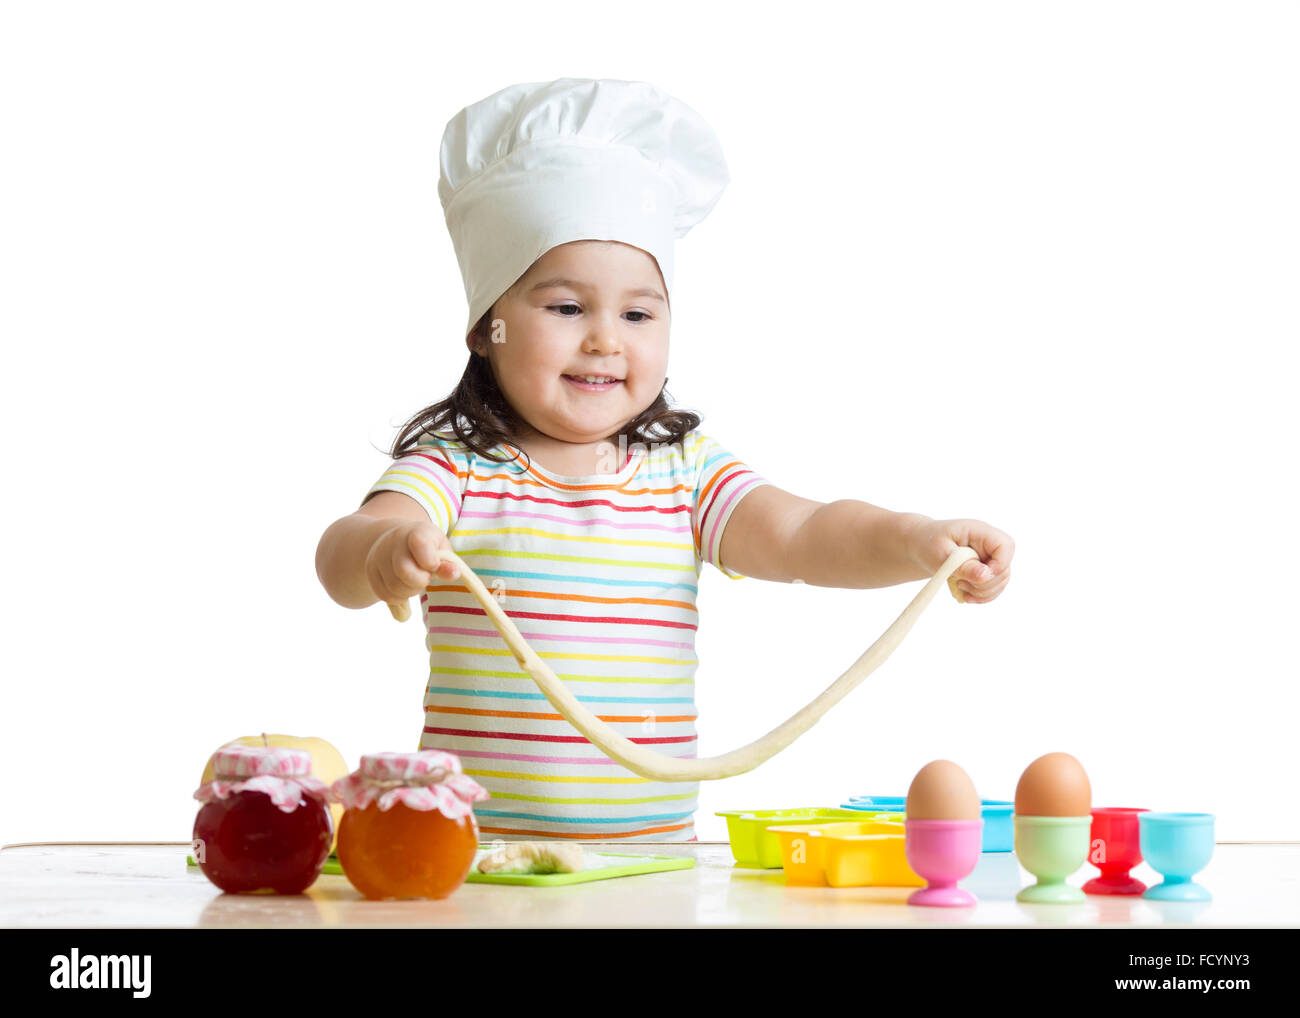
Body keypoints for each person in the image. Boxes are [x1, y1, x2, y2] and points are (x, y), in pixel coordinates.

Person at [315, 78, 1015, 843]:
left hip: (653, 863)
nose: (607, 339)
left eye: (639, 313)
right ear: (488, 327)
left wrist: (917, 540)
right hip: (478, 862)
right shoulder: (458, 468)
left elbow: (807, 534)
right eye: (566, 308)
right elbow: (346, 546)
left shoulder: (683, 471)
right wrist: (385, 554)